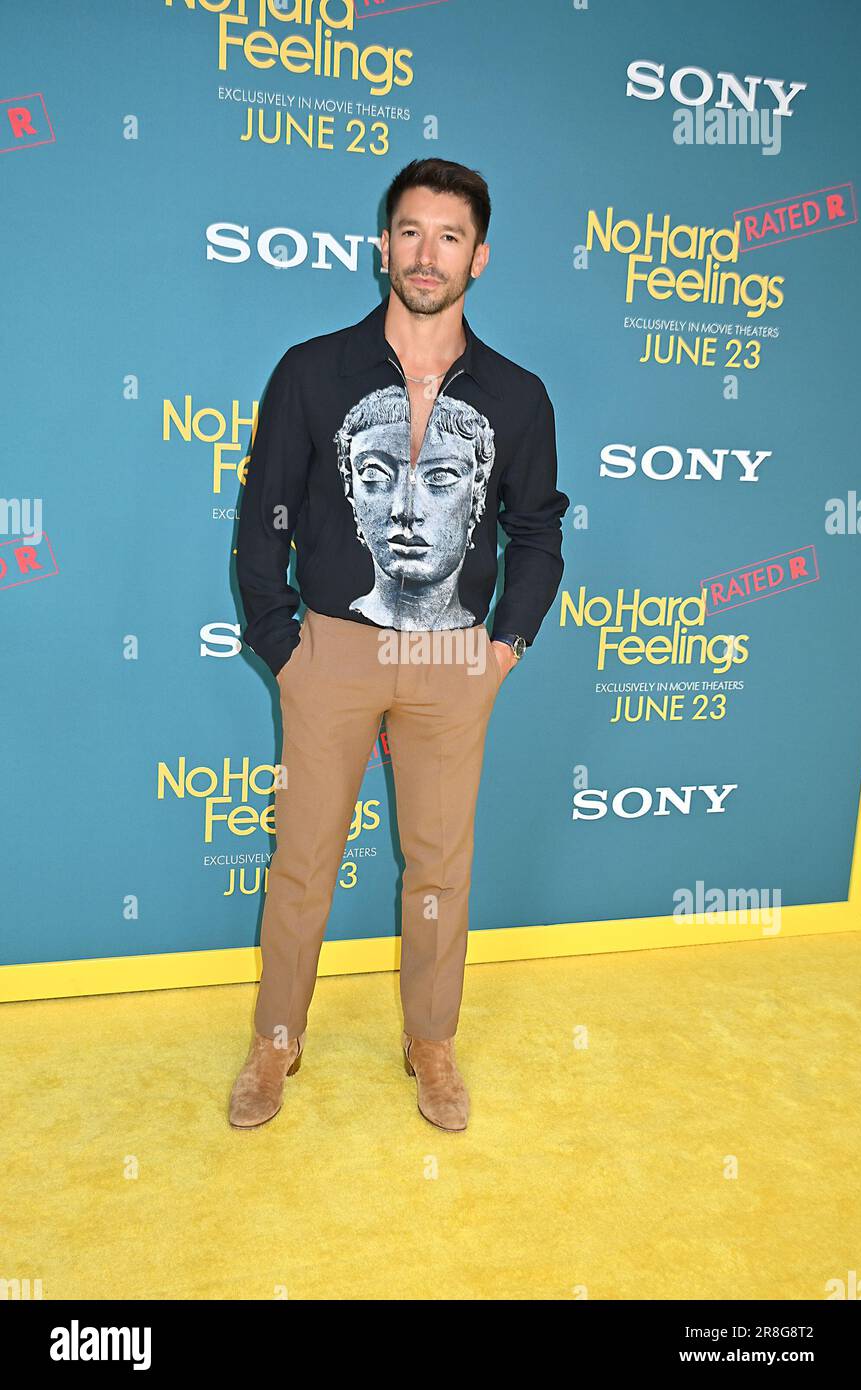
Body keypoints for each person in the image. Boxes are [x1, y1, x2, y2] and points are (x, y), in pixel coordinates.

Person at [230, 157, 570, 1132]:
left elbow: (538, 530)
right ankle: (276, 1040)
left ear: (480, 257)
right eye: (411, 231)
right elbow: (265, 518)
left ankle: (432, 1041)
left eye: (449, 236)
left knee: (438, 867)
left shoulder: (518, 394)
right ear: (384, 245)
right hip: (330, 650)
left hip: (453, 662)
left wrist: (503, 647)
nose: (428, 254)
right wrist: (282, 640)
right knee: (302, 858)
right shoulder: (311, 370)